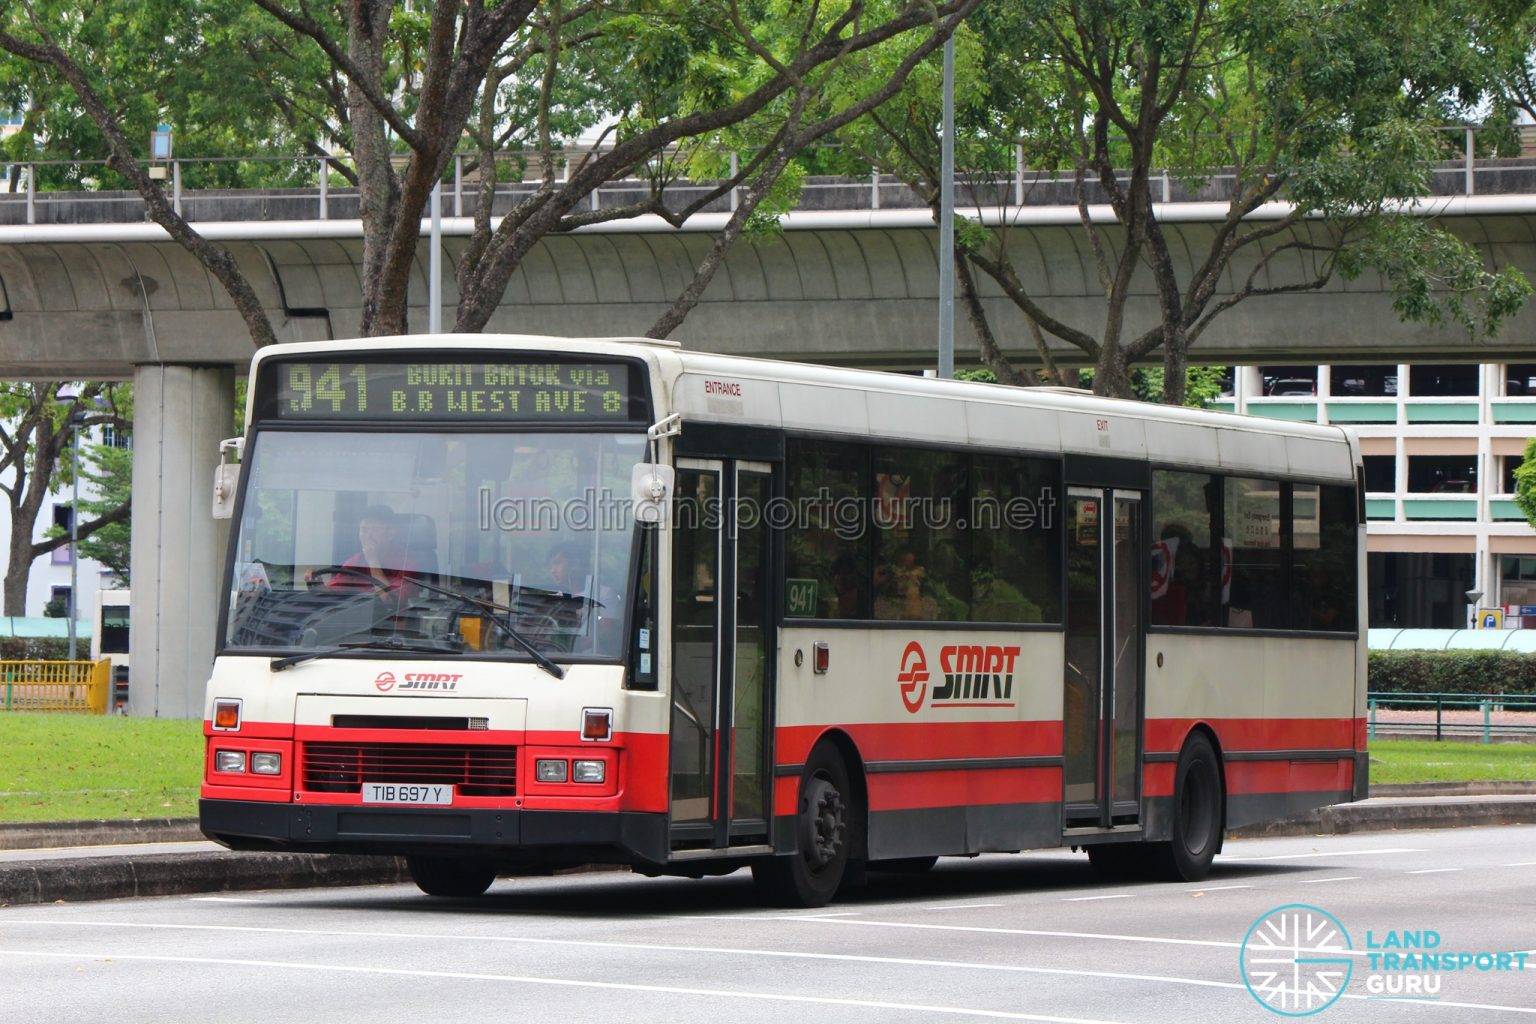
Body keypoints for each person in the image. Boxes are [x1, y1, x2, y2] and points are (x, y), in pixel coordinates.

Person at [325, 504, 415, 597]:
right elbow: (332, 592)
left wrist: (373, 561)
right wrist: (318, 586)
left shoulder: (406, 562)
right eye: (364, 530)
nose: (368, 536)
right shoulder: (357, 560)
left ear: (390, 533)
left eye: (375, 529)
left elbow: (390, 600)